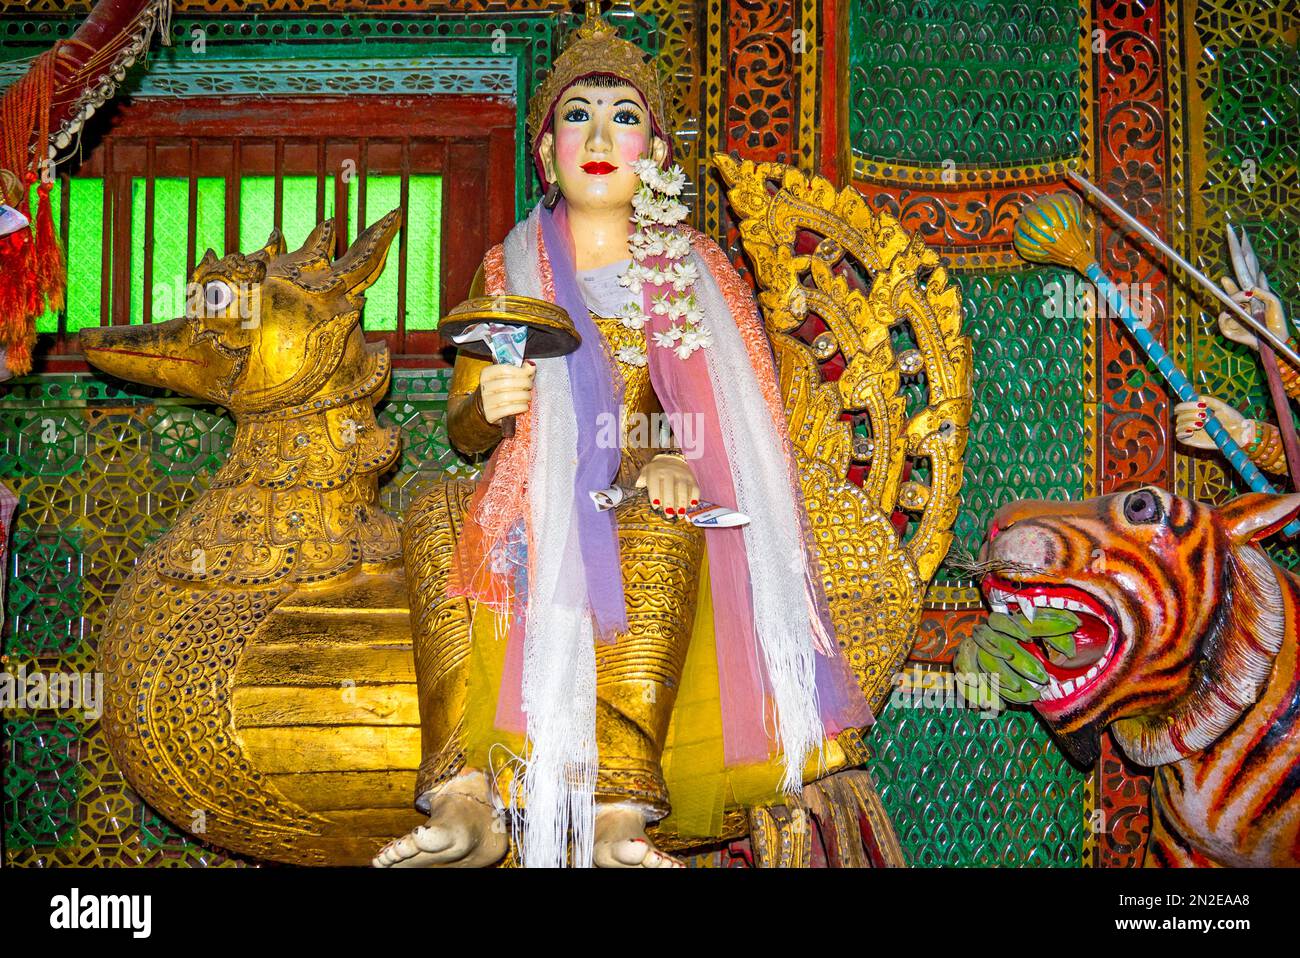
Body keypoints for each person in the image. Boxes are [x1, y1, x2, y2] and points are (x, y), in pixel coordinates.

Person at [374, 8, 869, 869]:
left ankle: (618, 806)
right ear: (545, 150)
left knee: (656, 521)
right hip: (532, 486)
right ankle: (466, 798)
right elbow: (463, 429)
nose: (600, 135)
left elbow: (732, 413)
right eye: (578, 115)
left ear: (658, 154)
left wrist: (678, 449)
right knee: (431, 509)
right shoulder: (510, 266)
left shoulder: (695, 268)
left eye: (624, 117)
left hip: (653, 489)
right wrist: (485, 403)